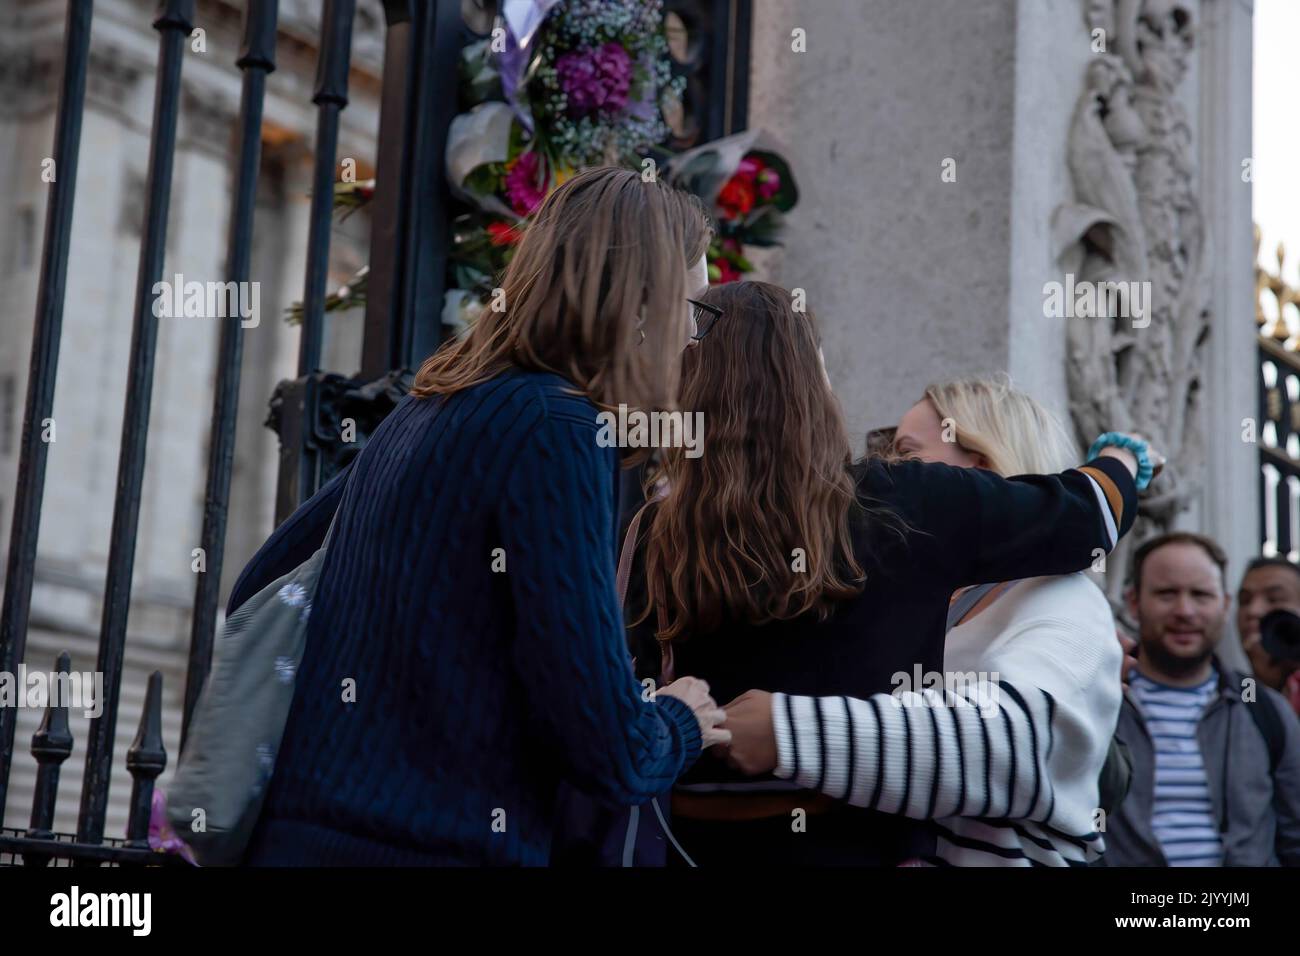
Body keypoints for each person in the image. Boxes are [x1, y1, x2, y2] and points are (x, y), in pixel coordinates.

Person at [229, 167, 728, 866]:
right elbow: (608, 745)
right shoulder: (556, 427)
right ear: (641, 305)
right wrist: (681, 719)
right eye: (693, 308)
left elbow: (259, 583)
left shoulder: (430, 403)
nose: (691, 339)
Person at [626, 280, 1145, 865]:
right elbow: (1087, 517)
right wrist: (1123, 458)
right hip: (858, 844)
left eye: (903, 447)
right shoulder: (908, 503)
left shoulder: (648, 528)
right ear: (808, 387)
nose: (886, 459)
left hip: (692, 842)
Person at [719, 377, 1129, 865]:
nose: (885, 476)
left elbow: (1012, 746)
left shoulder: (1062, 597)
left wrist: (789, 731)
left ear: (986, 476)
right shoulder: (919, 600)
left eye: (907, 457)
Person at [1103, 533, 1300, 866]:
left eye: (1200, 594)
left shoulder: (1265, 711)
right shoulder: (1097, 706)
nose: (1185, 610)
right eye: (1167, 594)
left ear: (1224, 605)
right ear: (1134, 602)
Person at [1236, 557, 1300, 714]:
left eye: (1274, 599)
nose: (1253, 611)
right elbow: (1245, 727)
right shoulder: (1244, 684)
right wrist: (1261, 680)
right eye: (1245, 601)